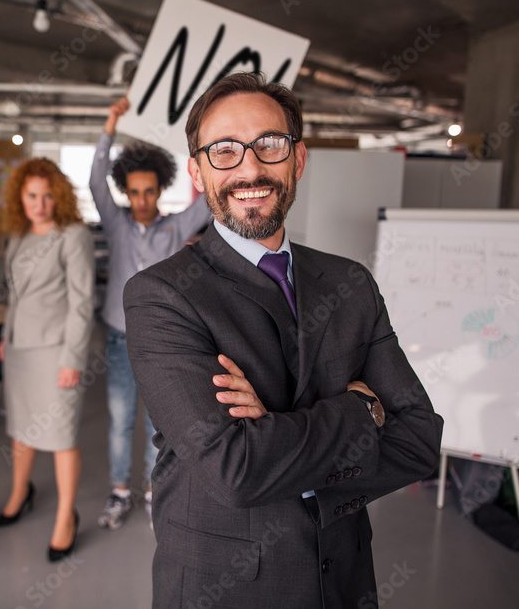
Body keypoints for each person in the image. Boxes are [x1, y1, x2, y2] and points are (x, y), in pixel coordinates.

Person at [123, 72, 444, 608]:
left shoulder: (350, 283)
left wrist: (273, 434)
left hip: (342, 578)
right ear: (198, 174)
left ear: (297, 159)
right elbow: (236, 470)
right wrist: (361, 412)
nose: (250, 167)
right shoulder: (161, 297)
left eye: (268, 144)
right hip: (226, 586)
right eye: (224, 151)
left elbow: (418, 440)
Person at [90, 96, 212, 530]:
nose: (142, 199)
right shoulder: (116, 223)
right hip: (121, 339)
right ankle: (120, 492)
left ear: (161, 188)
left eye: (149, 190)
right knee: (121, 419)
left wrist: (208, 143)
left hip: (163, 342)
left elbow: (210, 198)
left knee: (158, 420)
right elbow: (95, 183)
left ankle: (152, 492)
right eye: (134, 191)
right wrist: (111, 125)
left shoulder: (177, 226)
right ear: (127, 191)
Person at [0, 157, 95, 562]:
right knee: (21, 431)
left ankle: (65, 517)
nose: (40, 203)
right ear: (21, 197)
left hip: (56, 353)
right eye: (32, 195)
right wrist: (6, 337)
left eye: (48, 195)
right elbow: (14, 296)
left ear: (60, 196)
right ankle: (21, 492)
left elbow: (82, 302)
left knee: (60, 437)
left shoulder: (72, 234)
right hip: (19, 349)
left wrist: (73, 357)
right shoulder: (18, 236)